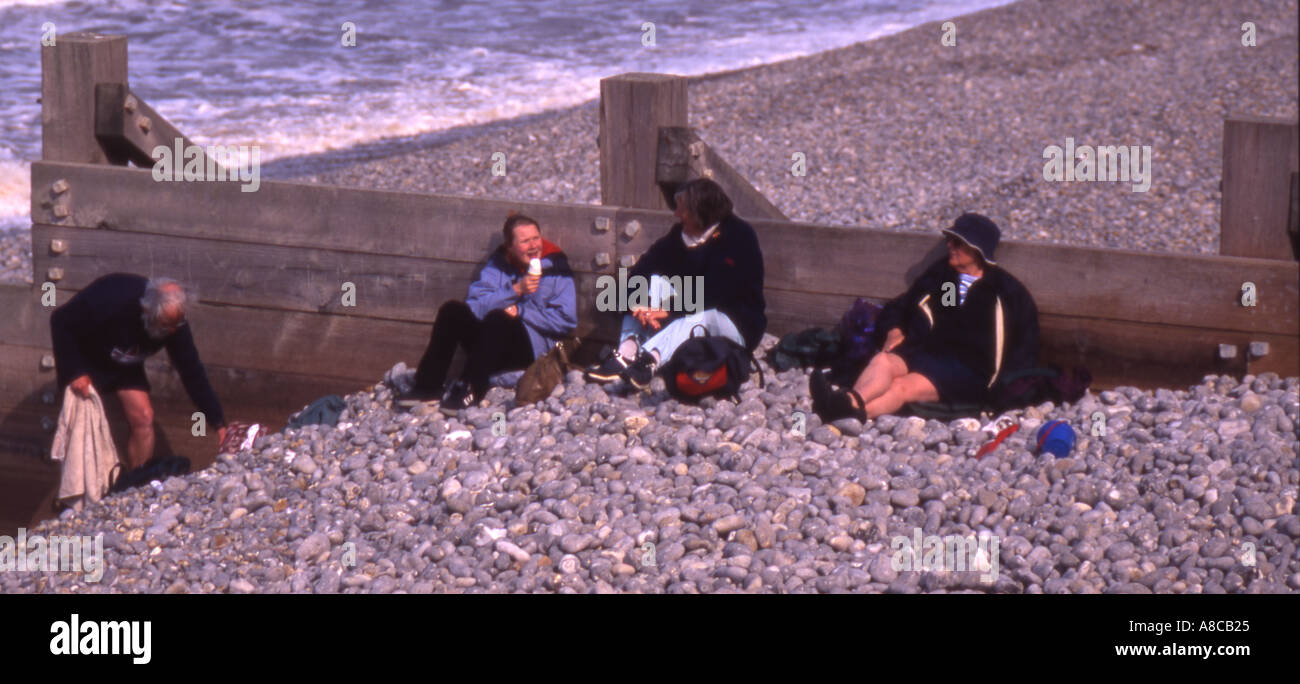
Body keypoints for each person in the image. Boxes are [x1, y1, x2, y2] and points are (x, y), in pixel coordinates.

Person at [810, 213, 1039, 421]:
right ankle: (848, 403)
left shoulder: (1005, 293)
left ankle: (844, 409)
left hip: (969, 370)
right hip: (927, 352)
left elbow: (1025, 345)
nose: (949, 245)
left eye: (957, 242)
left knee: (901, 387)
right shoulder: (942, 276)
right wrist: (894, 329)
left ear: (977, 249)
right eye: (950, 239)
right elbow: (902, 305)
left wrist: (1003, 393)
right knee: (882, 360)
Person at [583, 178, 766, 388]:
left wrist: (667, 309)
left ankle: (649, 361)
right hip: (689, 307)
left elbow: (717, 292)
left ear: (701, 212)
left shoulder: (739, 236)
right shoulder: (681, 234)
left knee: (700, 316)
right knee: (651, 282)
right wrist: (639, 305)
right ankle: (627, 353)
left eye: (682, 209)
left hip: (735, 322)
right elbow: (645, 266)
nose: (676, 214)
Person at [396, 213, 577, 413]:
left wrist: (522, 311)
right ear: (510, 247)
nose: (534, 246)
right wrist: (515, 290)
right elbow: (475, 306)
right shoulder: (498, 265)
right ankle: (427, 386)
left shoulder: (557, 269)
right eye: (525, 241)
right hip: (489, 342)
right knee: (452, 311)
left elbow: (566, 320)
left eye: (536, 238)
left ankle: (471, 388)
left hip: (531, 348)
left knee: (499, 318)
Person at [49, 274, 227, 470]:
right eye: (166, 324)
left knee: (144, 417)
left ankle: (136, 484)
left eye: (176, 324)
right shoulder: (111, 300)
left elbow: (192, 371)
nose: (173, 332)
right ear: (147, 311)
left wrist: (217, 422)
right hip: (87, 356)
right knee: (81, 427)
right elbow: (60, 320)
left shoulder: (175, 324)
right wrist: (74, 371)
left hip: (125, 361)